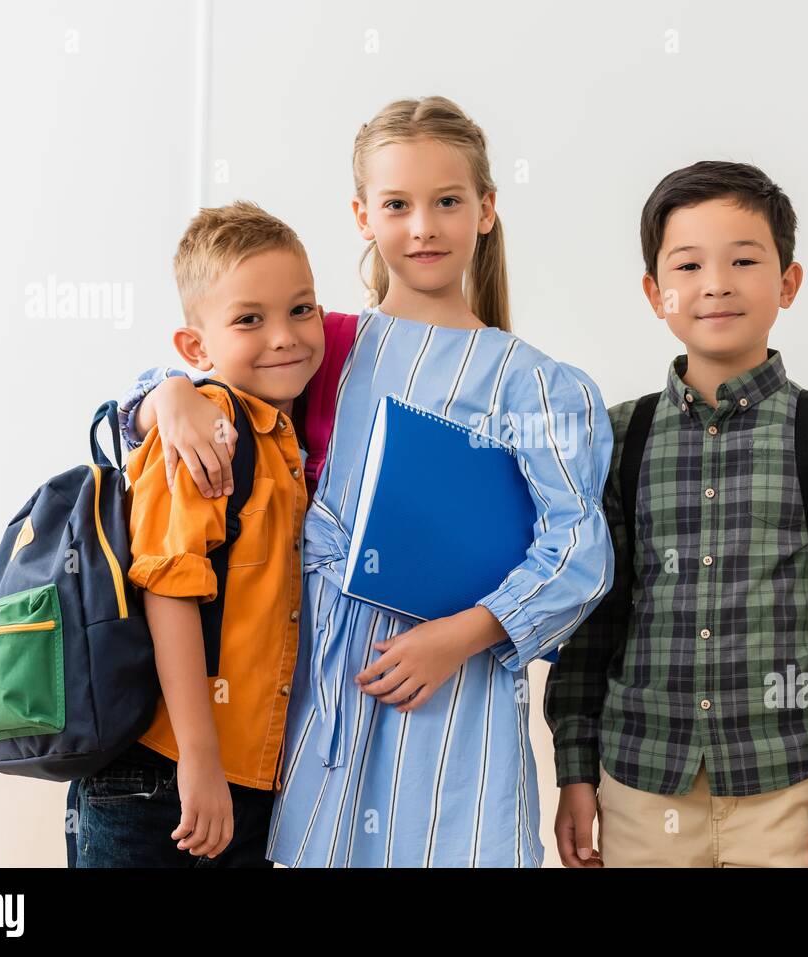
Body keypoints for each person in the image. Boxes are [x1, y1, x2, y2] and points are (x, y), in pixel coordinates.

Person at [115, 96, 614, 866]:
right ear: (362, 216)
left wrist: (459, 636)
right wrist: (166, 392)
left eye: (448, 202)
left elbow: (579, 553)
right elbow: (206, 377)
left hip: (455, 693)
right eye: (397, 204)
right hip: (318, 696)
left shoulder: (534, 383)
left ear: (485, 209)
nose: (423, 227)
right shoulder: (323, 345)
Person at [545, 161, 808, 868]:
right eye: (688, 265)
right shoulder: (616, 437)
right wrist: (575, 771)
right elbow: (592, 625)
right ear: (656, 293)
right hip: (641, 785)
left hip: (791, 788)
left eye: (744, 260)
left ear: (788, 283)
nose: (716, 283)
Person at [72, 201, 324, 866]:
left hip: (241, 780)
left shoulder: (282, 438)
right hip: (166, 774)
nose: (284, 336)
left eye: (301, 309)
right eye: (250, 319)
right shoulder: (210, 428)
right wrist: (200, 758)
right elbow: (168, 589)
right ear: (194, 348)